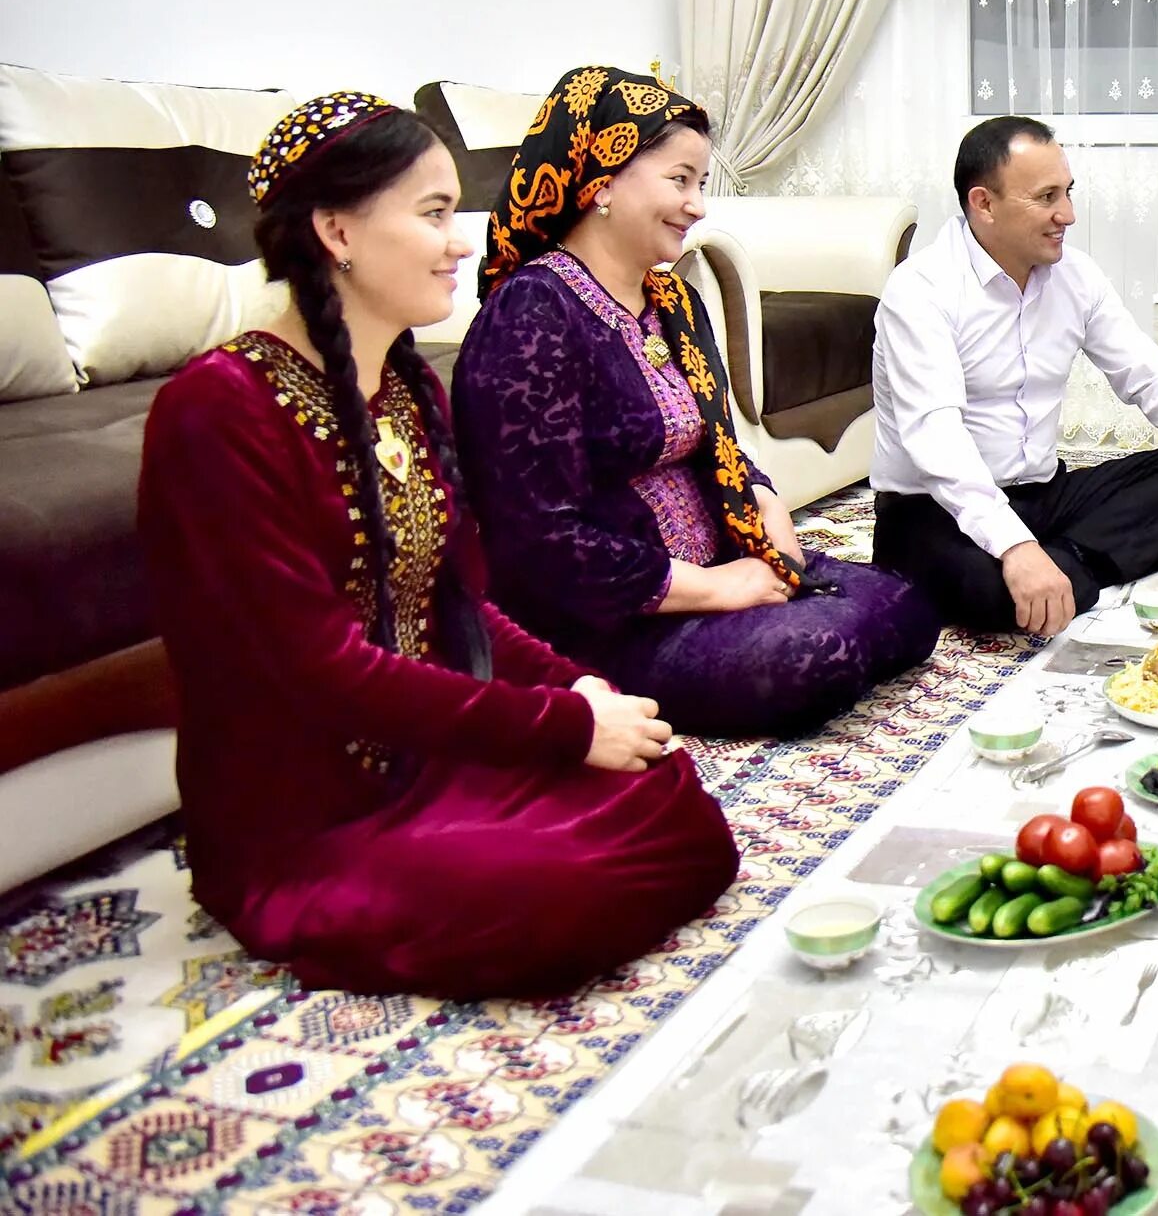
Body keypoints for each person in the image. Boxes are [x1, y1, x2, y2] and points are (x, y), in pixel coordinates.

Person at [137, 93, 738, 999]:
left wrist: (577, 687)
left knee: (678, 803)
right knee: (568, 887)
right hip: (310, 824)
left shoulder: (410, 388)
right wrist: (563, 727)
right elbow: (321, 671)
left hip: (432, 761)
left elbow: (461, 602)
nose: (461, 240)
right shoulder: (217, 412)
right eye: (431, 214)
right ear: (337, 230)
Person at [453, 67, 938, 736]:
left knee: (909, 605)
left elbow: (719, 443)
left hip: (719, 563)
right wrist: (718, 590)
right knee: (815, 656)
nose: (698, 205)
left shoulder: (671, 300)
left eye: (700, 183)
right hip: (610, 618)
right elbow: (539, 540)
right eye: (679, 180)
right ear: (601, 181)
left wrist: (767, 510)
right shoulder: (532, 316)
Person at [872, 116, 1158, 637]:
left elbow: (1151, 378)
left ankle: (1069, 565)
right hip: (933, 510)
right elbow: (936, 439)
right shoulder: (919, 291)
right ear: (983, 203)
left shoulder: (1075, 277)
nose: (1068, 214)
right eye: (1047, 197)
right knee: (1002, 601)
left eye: (1069, 192)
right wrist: (1015, 548)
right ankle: (1092, 561)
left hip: (1044, 495)